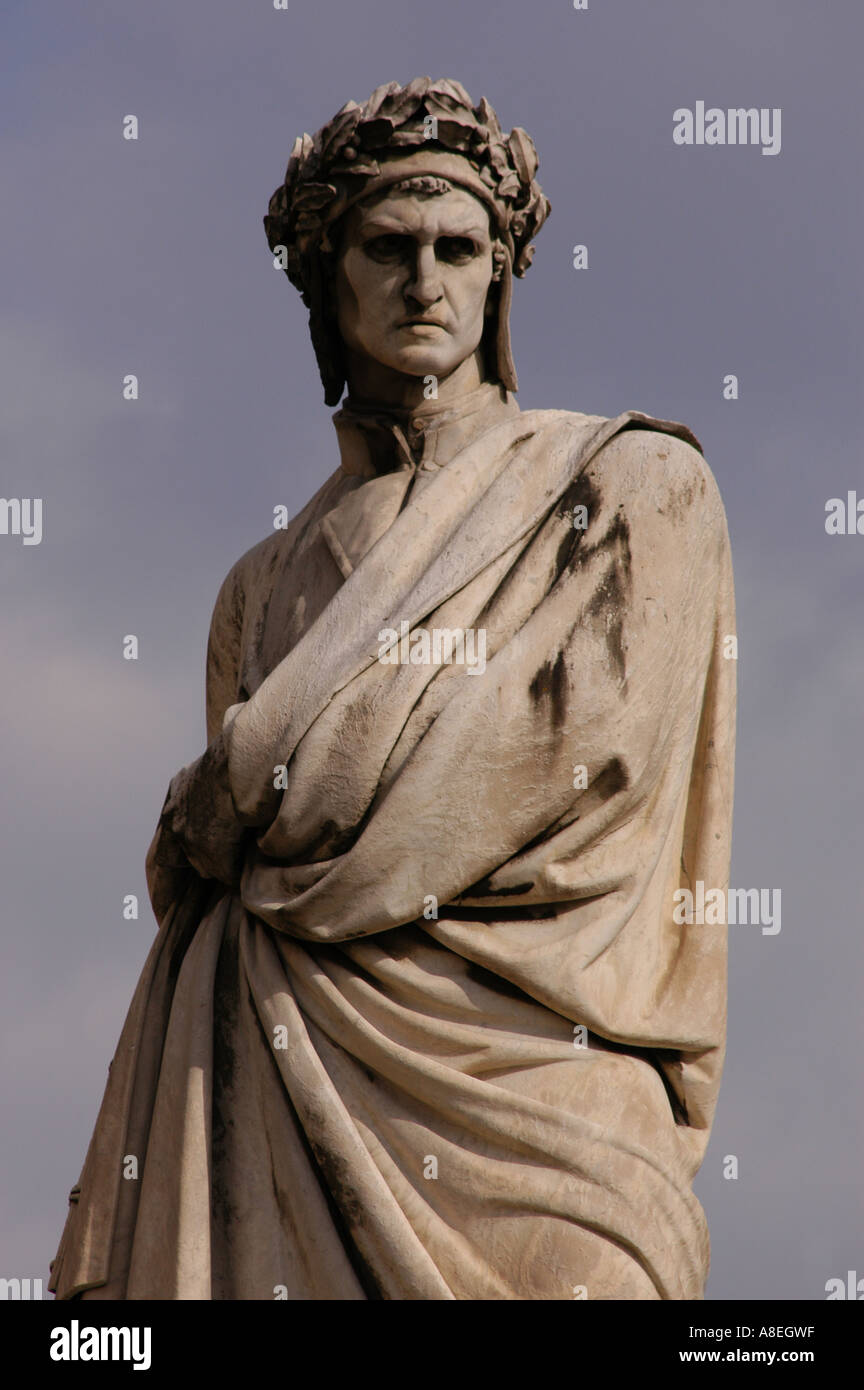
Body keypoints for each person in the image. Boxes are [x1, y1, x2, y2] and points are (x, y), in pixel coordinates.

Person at [50, 77, 736, 1301]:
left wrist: (251, 775)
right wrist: (247, 796)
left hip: (543, 1085)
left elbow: (564, 760)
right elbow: (250, 888)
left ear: (499, 272)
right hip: (277, 1075)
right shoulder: (254, 592)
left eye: (458, 247)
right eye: (388, 246)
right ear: (331, 276)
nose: (427, 279)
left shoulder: (629, 490)